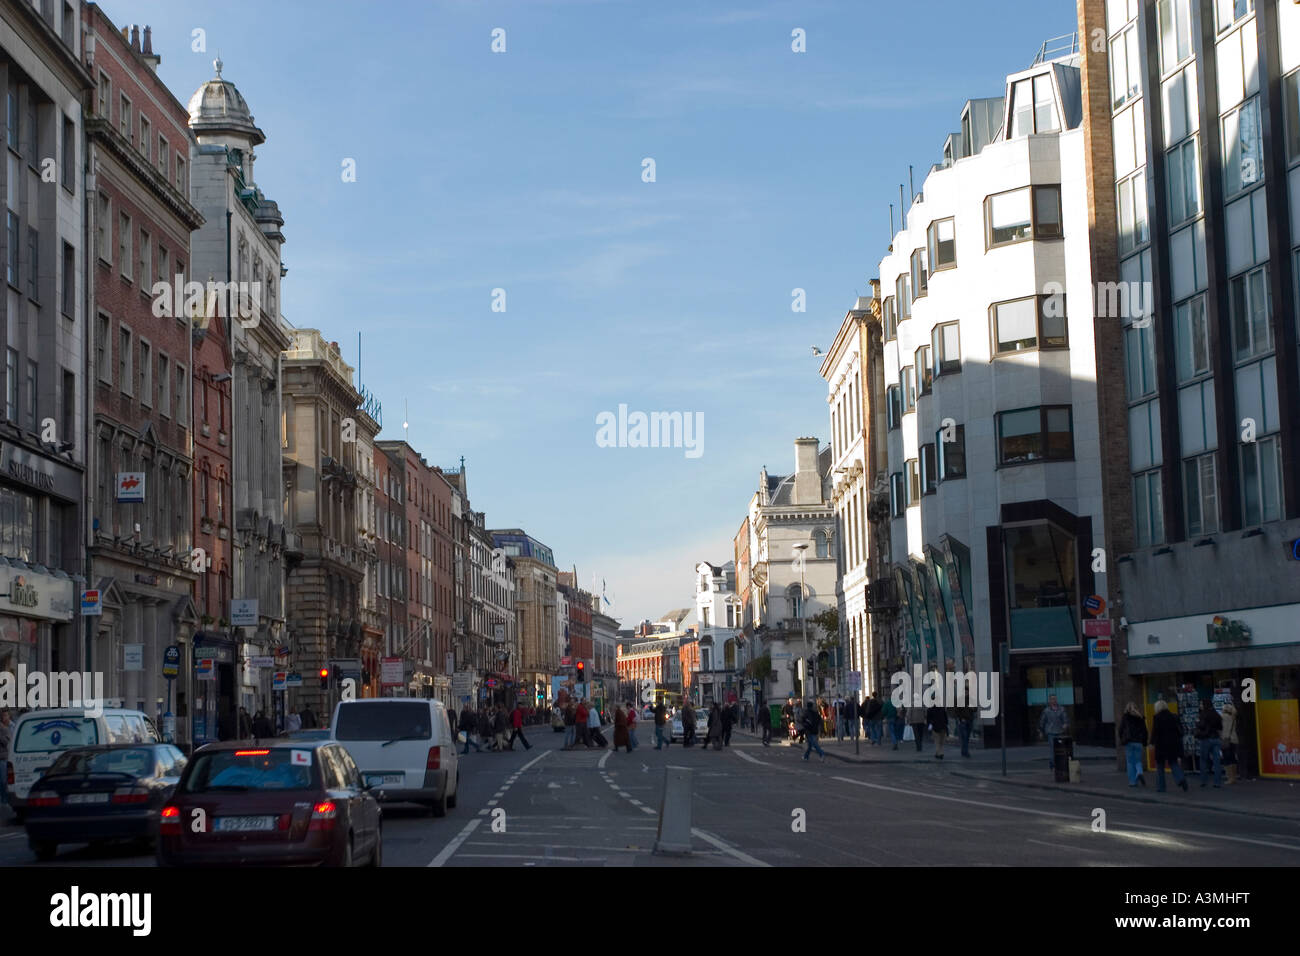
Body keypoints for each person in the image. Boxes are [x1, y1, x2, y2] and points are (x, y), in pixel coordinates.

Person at [1151, 700, 1188, 793]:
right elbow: (1179, 731)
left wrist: (1151, 742)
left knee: (1160, 767)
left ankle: (1161, 787)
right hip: (1173, 744)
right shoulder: (1173, 716)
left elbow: (1155, 732)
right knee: (1173, 763)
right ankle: (1180, 778)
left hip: (1161, 745)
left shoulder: (1157, 717)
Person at [1194, 698, 1224, 789]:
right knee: (1217, 761)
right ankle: (1217, 782)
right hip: (1215, 738)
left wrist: (1197, 723)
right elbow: (1220, 727)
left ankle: (1203, 781)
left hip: (1206, 739)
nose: (1200, 706)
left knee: (1203, 760)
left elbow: (1201, 725)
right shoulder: (1216, 714)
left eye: (1201, 704)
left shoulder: (1203, 714)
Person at [1118, 702, 1147, 787]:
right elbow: (1145, 731)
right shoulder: (1140, 718)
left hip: (1129, 742)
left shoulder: (1125, 717)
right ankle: (1139, 772)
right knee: (1138, 761)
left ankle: (1132, 782)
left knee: (1130, 762)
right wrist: (1144, 742)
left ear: (1127, 709)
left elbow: (1120, 729)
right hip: (1138, 742)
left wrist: (1121, 738)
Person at [1038, 694, 1068, 773]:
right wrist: (1040, 731)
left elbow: (1065, 719)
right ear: (1049, 701)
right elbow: (1042, 721)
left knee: (1060, 749)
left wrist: (1065, 724)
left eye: (1054, 699)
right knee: (1053, 749)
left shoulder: (1061, 709)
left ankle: (1058, 764)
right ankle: (1053, 764)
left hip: (1059, 731)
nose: (1053, 701)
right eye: (1052, 699)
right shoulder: (1046, 710)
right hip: (1050, 732)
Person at [1221, 700, 1239, 784]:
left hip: (1226, 739)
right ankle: (1234, 777)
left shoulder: (1223, 717)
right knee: (1233, 758)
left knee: (1227, 759)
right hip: (1234, 739)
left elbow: (1222, 728)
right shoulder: (1233, 717)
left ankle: (1229, 778)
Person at [0, 709, 12, 808]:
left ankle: (5, 802)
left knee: (4, 781)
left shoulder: (5, 729)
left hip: (3, 759)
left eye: (5, 716)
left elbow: (8, 744)